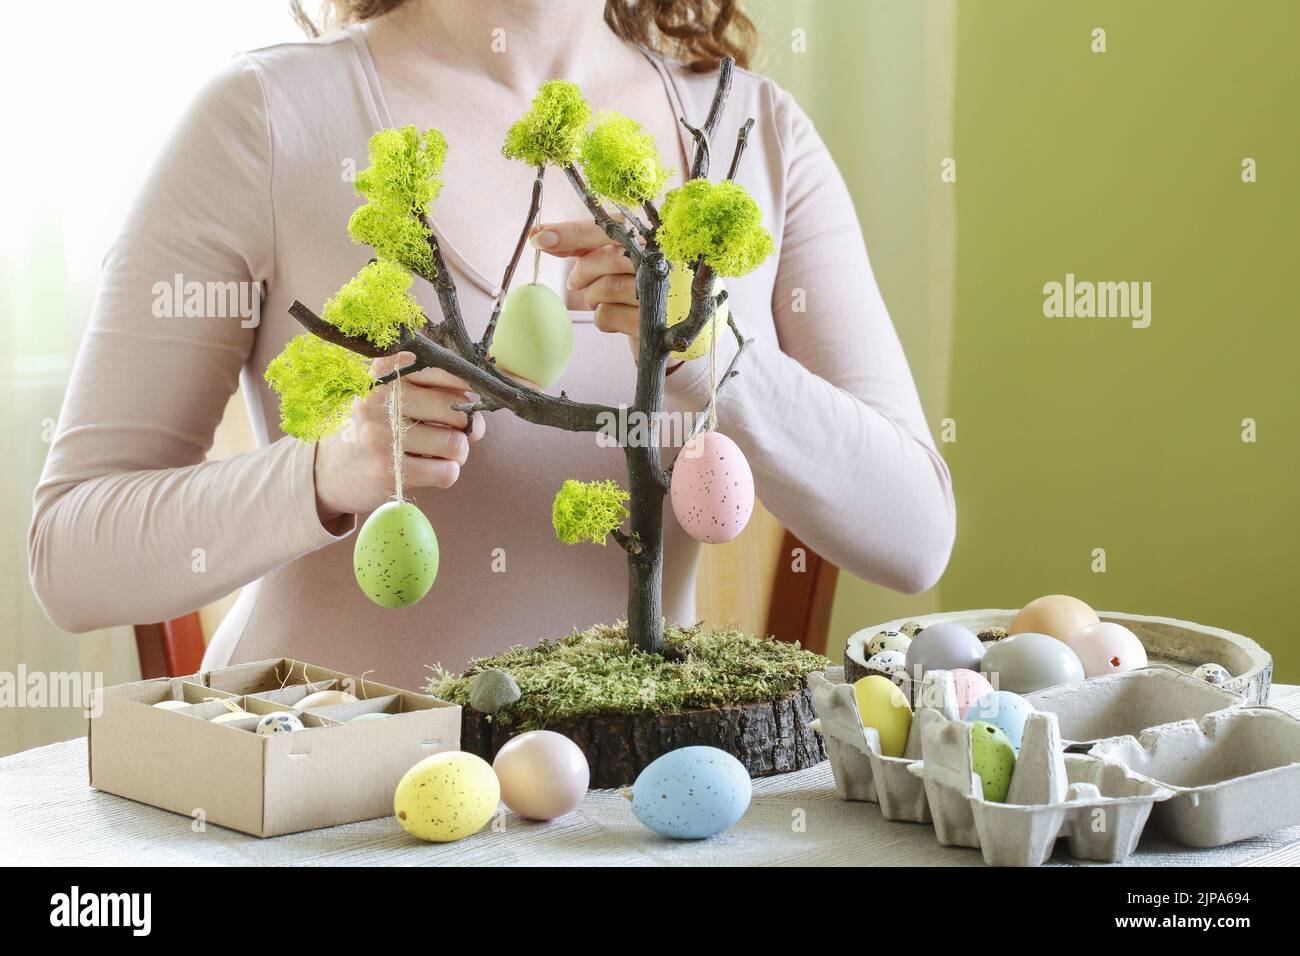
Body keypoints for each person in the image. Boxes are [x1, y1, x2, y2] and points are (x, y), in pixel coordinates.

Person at [29, 0, 955, 687]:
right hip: (320, 810)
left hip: (622, 817)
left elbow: (915, 537)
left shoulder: (752, 132)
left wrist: (714, 359)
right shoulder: (266, 116)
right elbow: (71, 558)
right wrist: (327, 472)